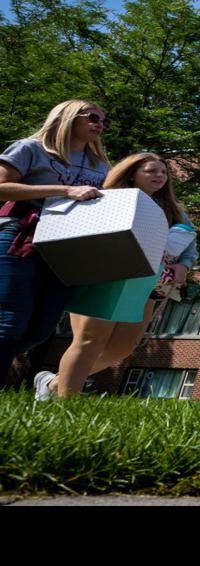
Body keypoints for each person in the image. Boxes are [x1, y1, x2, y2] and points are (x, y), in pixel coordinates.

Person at [37, 153, 199, 399]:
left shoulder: (172, 210)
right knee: (90, 340)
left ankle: (52, 385)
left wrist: (184, 266)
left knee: (122, 347)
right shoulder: (105, 197)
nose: (159, 176)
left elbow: (190, 246)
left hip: (146, 283)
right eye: (151, 171)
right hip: (105, 275)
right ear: (131, 173)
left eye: (164, 172)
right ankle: (66, 400)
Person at [0, 100, 111, 382]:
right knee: (10, 321)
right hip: (21, 235)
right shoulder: (31, 148)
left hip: (67, 245)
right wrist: (65, 190)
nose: (100, 124)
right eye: (93, 117)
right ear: (67, 117)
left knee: (42, 327)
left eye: (104, 121)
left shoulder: (99, 164)